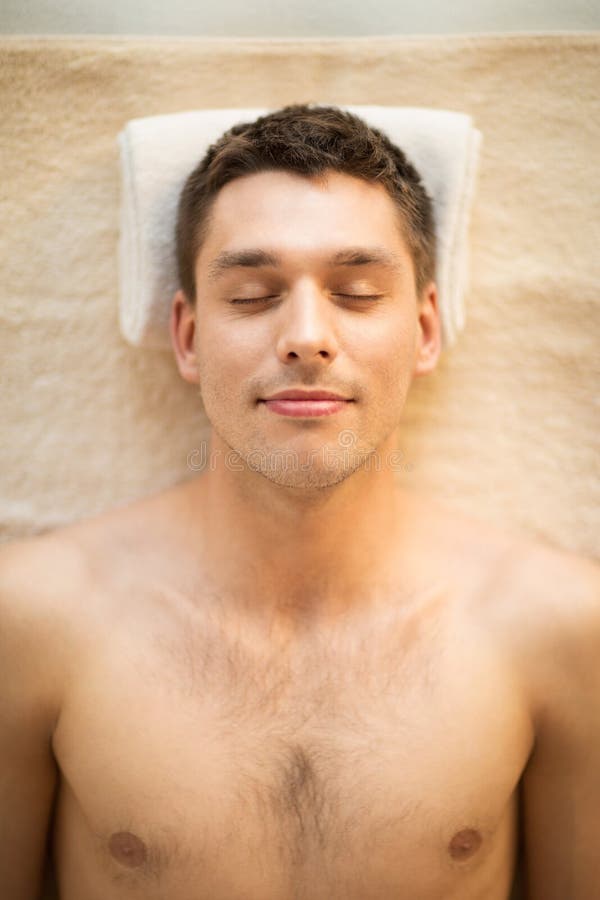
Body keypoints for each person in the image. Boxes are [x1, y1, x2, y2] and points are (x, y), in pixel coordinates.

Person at [1, 103, 598, 900]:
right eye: (252, 295)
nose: (307, 335)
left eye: (356, 292)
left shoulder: (557, 628)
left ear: (425, 330)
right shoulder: (35, 620)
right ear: (186, 336)